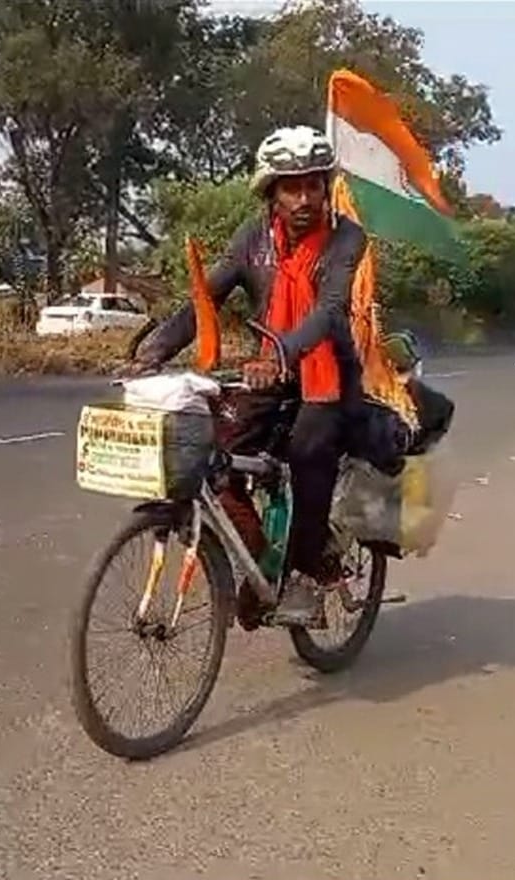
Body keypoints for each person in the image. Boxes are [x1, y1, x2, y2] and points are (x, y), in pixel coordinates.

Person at [125, 125, 367, 629]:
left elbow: (329, 310)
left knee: (307, 449)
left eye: (313, 185)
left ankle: (305, 571)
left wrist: (282, 354)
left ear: (326, 186)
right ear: (270, 192)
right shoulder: (252, 240)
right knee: (211, 454)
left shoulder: (346, 236)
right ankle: (262, 561)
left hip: (328, 376)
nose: (304, 198)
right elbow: (205, 300)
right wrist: (153, 350)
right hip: (271, 374)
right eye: (290, 186)